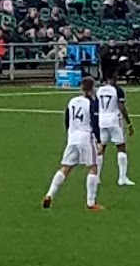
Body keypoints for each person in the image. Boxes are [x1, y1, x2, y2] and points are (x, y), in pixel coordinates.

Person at [42, 76, 102, 211]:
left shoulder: (72, 101)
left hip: (72, 137)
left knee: (65, 168)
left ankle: (49, 194)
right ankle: (91, 202)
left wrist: (70, 133)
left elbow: (67, 120)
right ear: (92, 88)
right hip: (86, 136)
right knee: (93, 167)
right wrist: (99, 140)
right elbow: (94, 122)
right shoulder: (91, 103)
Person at [95, 71, 134, 187]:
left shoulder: (99, 90)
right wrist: (129, 122)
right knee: (121, 147)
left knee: (101, 147)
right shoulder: (117, 90)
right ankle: (122, 178)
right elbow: (121, 106)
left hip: (101, 121)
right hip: (114, 121)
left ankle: (96, 177)